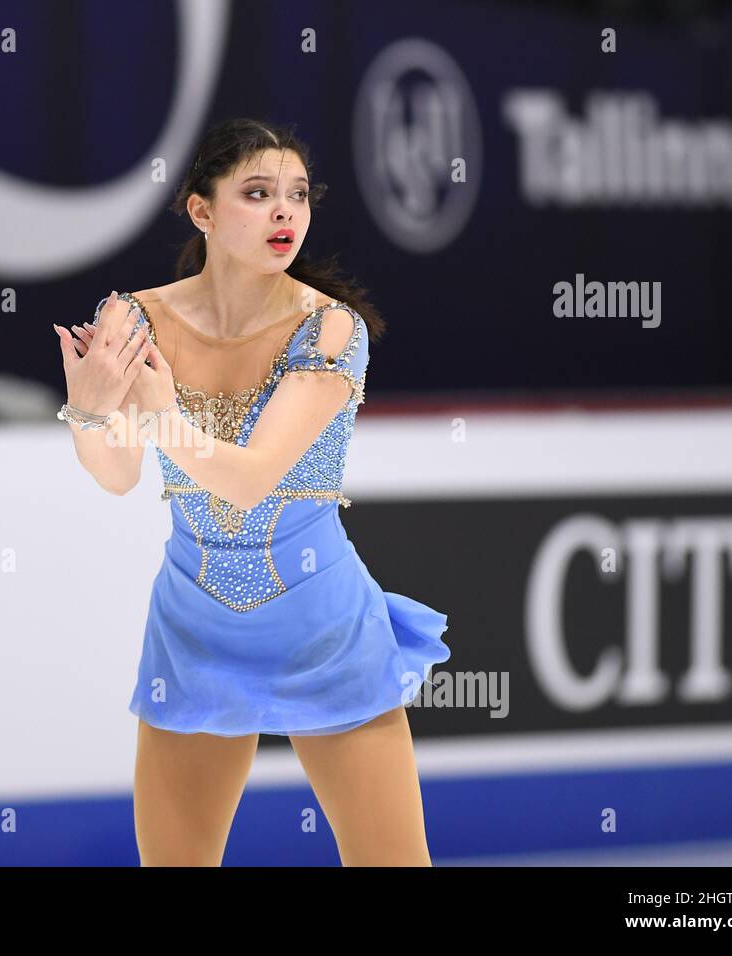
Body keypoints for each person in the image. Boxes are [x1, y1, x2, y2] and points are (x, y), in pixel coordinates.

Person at [53, 118, 451, 866]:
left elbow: (251, 477)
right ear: (201, 211)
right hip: (194, 630)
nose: (285, 213)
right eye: (258, 193)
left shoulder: (330, 331)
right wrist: (89, 411)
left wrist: (159, 417)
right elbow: (117, 475)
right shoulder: (135, 318)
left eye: (297, 195)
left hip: (323, 629)